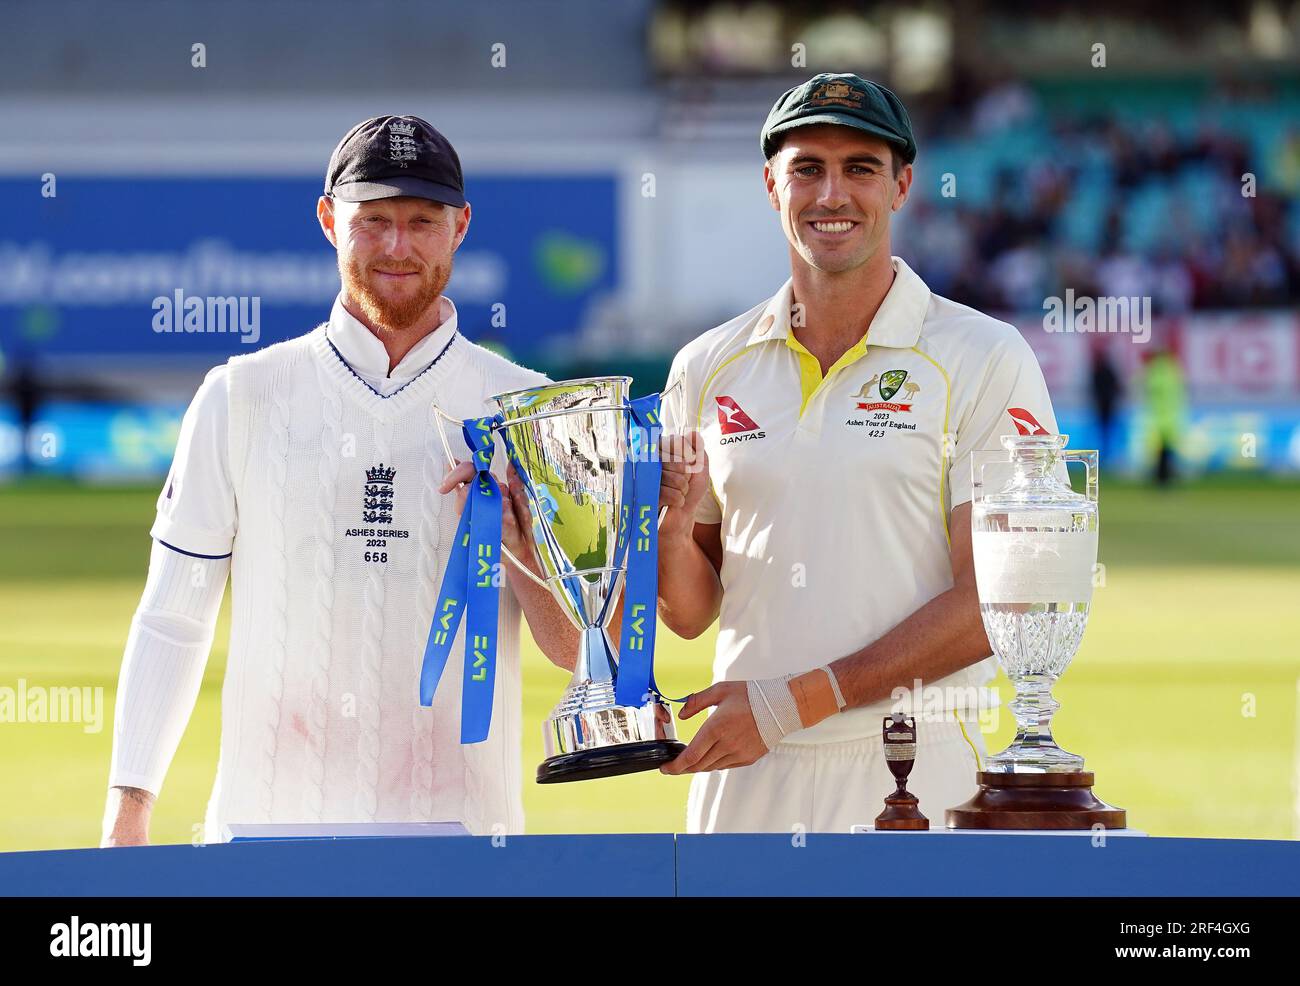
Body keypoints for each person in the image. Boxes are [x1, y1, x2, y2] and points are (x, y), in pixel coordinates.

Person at [102, 115, 575, 847]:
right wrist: (128, 812)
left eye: (421, 221)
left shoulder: (526, 408)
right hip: (263, 841)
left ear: (460, 228)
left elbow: (580, 652)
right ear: (329, 219)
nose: (397, 246)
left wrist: (525, 548)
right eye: (374, 219)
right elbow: (173, 617)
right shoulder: (240, 395)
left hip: (463, 847)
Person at [656, 74, 1062, 833]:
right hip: (745, 768)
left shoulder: (982, 355)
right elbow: (690, 613)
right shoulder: (707, 364)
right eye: (807, 167)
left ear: (903, 185)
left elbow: (997, 606)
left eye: (861, 168)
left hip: (915, 764)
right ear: (770, 185)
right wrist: (671, 536)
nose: (832, 194)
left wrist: (793, 703)